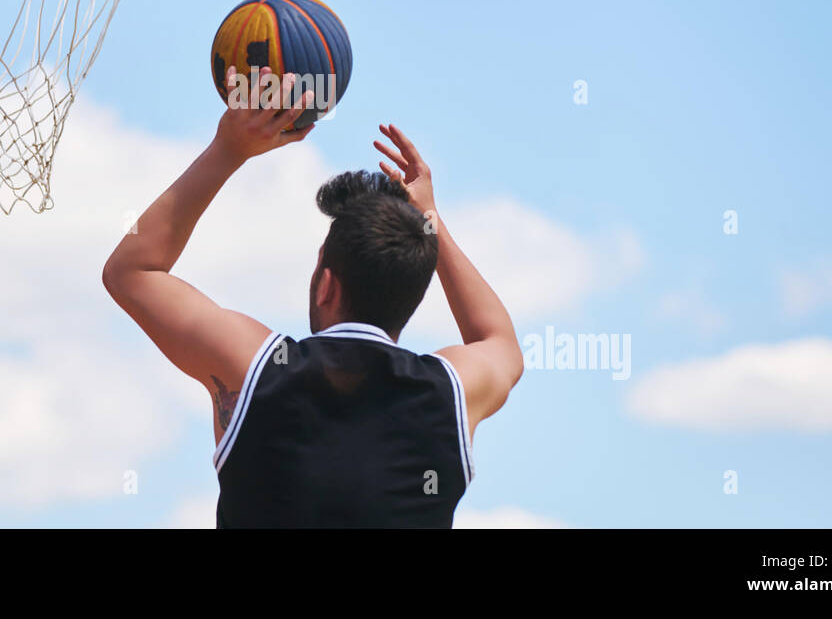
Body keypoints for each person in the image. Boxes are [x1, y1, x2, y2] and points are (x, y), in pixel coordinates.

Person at [102, 67, 524, 527]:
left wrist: (228, 150)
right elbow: (499, 341)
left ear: (326, 284)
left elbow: (131, 270)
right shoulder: (451, 393)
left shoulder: (255, 367)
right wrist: (428, 219)